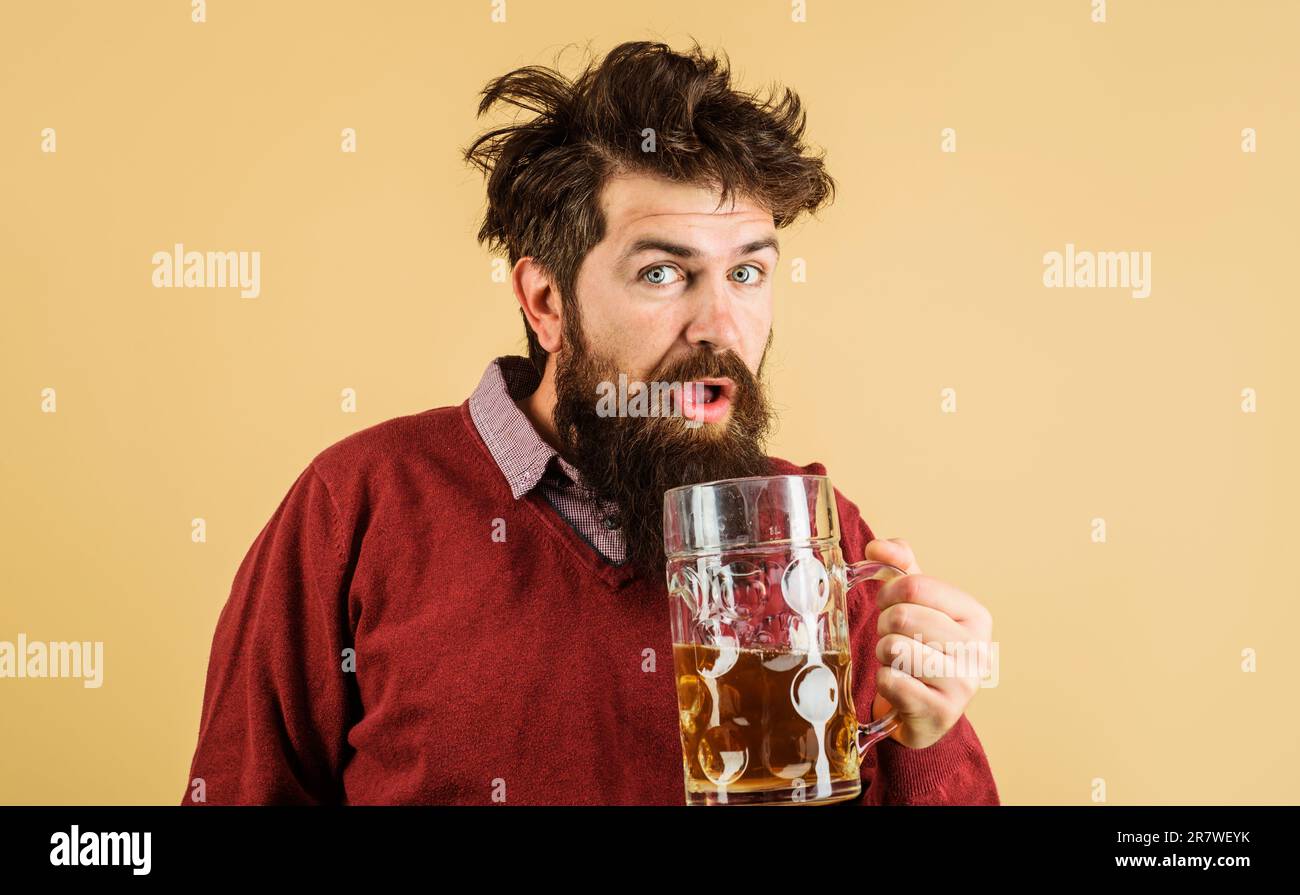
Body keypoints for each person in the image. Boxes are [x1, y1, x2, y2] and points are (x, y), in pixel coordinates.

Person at [180, 39, 999, 806]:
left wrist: (929, 733)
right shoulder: (357, 504)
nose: (720, 324)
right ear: (544, 301)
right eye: (662, 272)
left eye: (747, 271)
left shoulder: (810, 539)